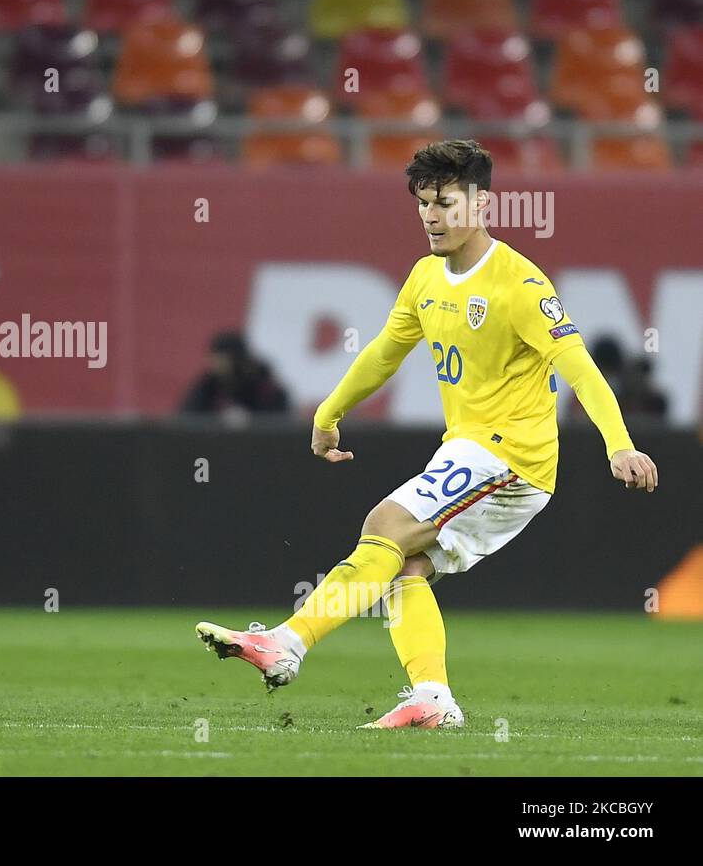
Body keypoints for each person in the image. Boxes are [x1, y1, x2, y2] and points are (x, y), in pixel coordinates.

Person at [195, 140, 659, 728]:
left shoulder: (520, 285)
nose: (431, 217)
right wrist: (327, 413)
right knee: (403, 567)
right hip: (473, 450)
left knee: (384, 525)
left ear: (481, 203)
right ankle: (432, 698)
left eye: (443, 202)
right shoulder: (424, 277)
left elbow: (580, 369)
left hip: (513, 456)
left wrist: (618, 443)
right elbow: (385, 353)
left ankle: (286, 641)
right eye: (423, 205)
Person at [178, 330, 289, 417]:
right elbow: (187, 417)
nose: (212, 363)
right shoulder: (208, 385)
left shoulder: (264, 388)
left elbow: (277, 422)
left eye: (219, 358)